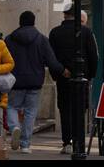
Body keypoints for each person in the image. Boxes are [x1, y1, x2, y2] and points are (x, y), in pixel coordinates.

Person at [4, 10, 64, 153]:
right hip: (35, 81)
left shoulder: (9, 39)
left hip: (15, 81)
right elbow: (51, 61)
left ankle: (14, 127)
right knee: (31, 112)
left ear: (20, 22)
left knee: (12, 106)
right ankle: (25, 145)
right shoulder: (41, 39)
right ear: (33, 22)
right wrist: (62, 70)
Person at [48, 5, 100, 154]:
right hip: (82, 77)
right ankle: (78, 140)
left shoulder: (55, 32)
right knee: (80, 109)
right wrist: (90, 75)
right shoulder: (86, 32)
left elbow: (51, 57)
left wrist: (58, 73)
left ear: (65, 15)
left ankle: (67, 141)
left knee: (65, 109)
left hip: (63, 78)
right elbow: (93, 56)